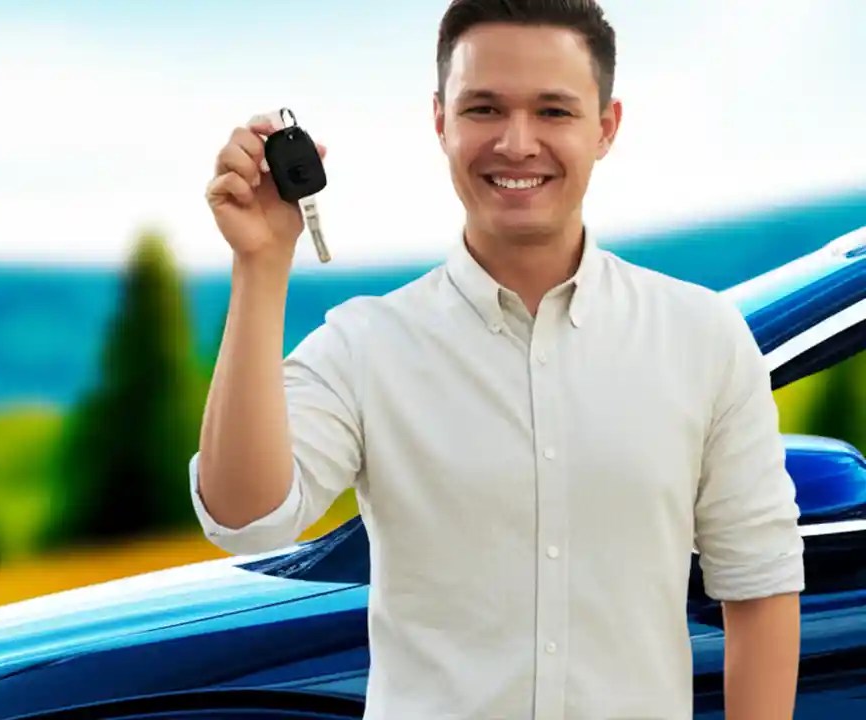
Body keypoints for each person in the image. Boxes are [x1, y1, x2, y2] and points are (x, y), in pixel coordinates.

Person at [193, 0, 804, 717]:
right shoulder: (367, 346)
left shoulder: (704, 336)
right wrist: (260, 265)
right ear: (440, 121)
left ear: (606, 127)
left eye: (553, 111)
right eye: (484, 109)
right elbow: (246, 519)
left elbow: (759, 584)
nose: (517, 143)